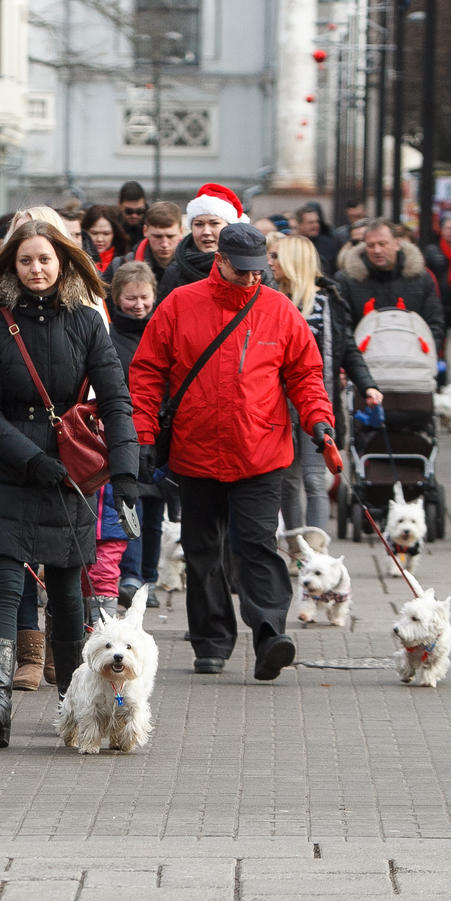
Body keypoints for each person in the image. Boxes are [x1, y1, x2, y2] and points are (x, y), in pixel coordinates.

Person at [129, 223, 337, 681]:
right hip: (196, 450)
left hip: (260, 450)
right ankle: (211, 641)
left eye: (257, 271)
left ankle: (269, 635)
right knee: (202, 549)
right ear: (219, 260)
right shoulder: (181, 305)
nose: (250, 279)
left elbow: (306, 375)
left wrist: (319, 420)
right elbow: (146, 373)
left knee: (258, 545)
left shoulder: (280, 311)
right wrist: (142, 435)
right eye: (241, 271)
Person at [0, 219, 138, 748]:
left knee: (67, 589)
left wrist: (127, 469)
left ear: (62, 261)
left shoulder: (87, 322)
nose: (36, 269)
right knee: (5, 584)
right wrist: (30, 457)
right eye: (25, 261)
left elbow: (115, 397)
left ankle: (70, 704)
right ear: (11, 267)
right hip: (7, 471)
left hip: (72, 472)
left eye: (44, 259)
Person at [269, 234, 380, 532]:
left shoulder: (329, 300)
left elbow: (347, 348)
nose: (270, 262)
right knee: (287, 480)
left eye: (277, 256)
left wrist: (367, 384)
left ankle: (317, 552)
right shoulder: (268, 299)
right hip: (275, 402)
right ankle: (296, 547)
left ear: (294, 261)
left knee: (315, 478)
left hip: (316, 399)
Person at [105, 262, 166, 608]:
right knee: (132, 507)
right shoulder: (110, 336)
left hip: (159, 435)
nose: (139, 305)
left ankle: (150, 576)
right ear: (117, 298)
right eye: (131, 298)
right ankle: (131, 574)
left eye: (145, 297)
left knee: (155, 512)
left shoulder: (162, 330)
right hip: (127, 432)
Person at [333, 218, 446, 348]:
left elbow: (435, 323)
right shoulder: (347, 280)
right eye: (371, 245)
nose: (377, 250)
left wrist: (425, 354)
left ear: (397, 244)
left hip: (412, 360)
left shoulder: (421, 278)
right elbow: (342, 327)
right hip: (364, 360)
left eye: (382, 244)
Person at [158, 183, 257, 298]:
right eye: (199, 224)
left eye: (214, 223)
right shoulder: (175, 272)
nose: (206, 231)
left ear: (230, 227)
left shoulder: (252, 266)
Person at [423, 217, 451, 360]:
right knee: (439, 343)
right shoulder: (432, 250)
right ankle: (441, 376)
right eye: (449, 228)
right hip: (439, 303)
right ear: (442, 230)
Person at [81, 205, 129, 278]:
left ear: (115, 234)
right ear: (84, 232)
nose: (100, 239)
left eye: (106, 234)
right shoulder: (76, 261)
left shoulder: (125, 261)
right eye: (94, 233)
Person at [294, 202, 340, 277]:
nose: (315, 225)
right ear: (300, 225)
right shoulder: (291, 244)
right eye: (311, 222)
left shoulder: (329, 244)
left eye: (317, 222)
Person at [118, 180, 148, 247]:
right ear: (119, 205)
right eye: (129, 211)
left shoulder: (153, 222)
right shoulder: (113, 223)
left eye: (139, 211)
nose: (134, 215)